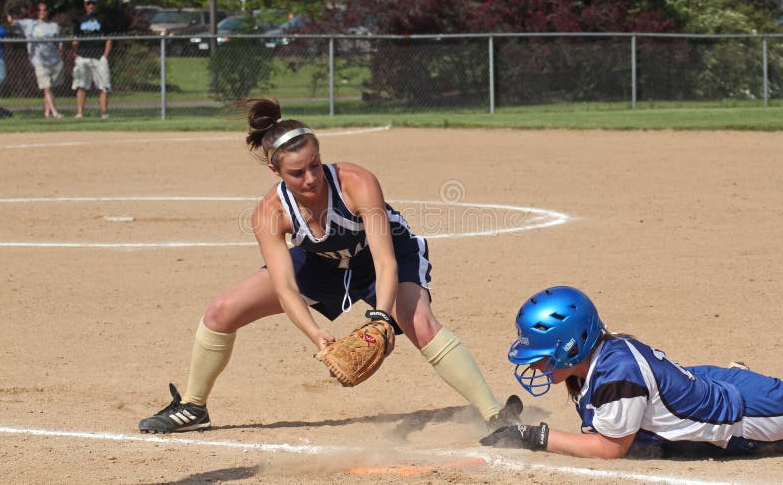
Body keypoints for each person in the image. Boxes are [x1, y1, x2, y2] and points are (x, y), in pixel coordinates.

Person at [138, 96, 522, 434]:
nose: (310, 178)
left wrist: (381, 317)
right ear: (275, 172)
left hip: (378, 255)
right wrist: (315, 334)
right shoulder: (270, 213)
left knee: (417, 320)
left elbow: (386, 262)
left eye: (315, 165)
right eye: (296, 172)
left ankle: (496, 417)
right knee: (221, 311)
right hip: (320, 263)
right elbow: (286, 287)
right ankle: (192, 406)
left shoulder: (356, 182)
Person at [480, 285, 783, 459]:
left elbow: (609, 448)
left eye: (541, 356)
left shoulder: (618, 375)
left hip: (753, 414)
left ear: (572, 347)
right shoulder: (596, 360)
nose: (533, 365)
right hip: (714, 382)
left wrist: (536, 436)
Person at [7, 1, 64, 118]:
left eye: (44, 10)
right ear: (36, 12)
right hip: (39, 61)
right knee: (46, 88)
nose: (42, 12)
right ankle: (55, 112)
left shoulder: (54, 26)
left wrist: (60, 54)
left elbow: (60, 43)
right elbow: (13, 23)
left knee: (49, 88)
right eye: (39, 10)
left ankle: (47, 113)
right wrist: (8, 14)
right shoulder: (30, 24)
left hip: (54, 60)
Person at [71, 0, 112, 119]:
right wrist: (74, 53)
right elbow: (75, 39)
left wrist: (105, 55)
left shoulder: (103, 19)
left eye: (93, 3)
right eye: (88, 3)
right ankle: (80, 113)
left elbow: (109, 39)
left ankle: (104, 113)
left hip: (99, 57)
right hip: (83, 56)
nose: (91, 6)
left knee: (104, 86)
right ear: (85, 5)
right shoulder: (79, 19)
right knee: (81, 85)